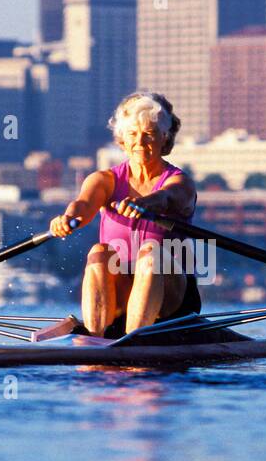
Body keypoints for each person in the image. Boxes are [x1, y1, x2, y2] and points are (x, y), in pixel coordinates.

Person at [49, 91, 199, 337]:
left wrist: (148, 203)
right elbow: (83, 205)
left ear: (165, 138)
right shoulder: (104, 180)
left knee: (151, 252)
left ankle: (134, 342)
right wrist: (66, 219)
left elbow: (169, 196)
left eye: (149, 134)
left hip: (173, 302)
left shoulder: (180, 182)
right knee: (99, 252)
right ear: (122, 139)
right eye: (132, 134)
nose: (140, 143)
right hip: (120, 298)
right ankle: (96, 340)